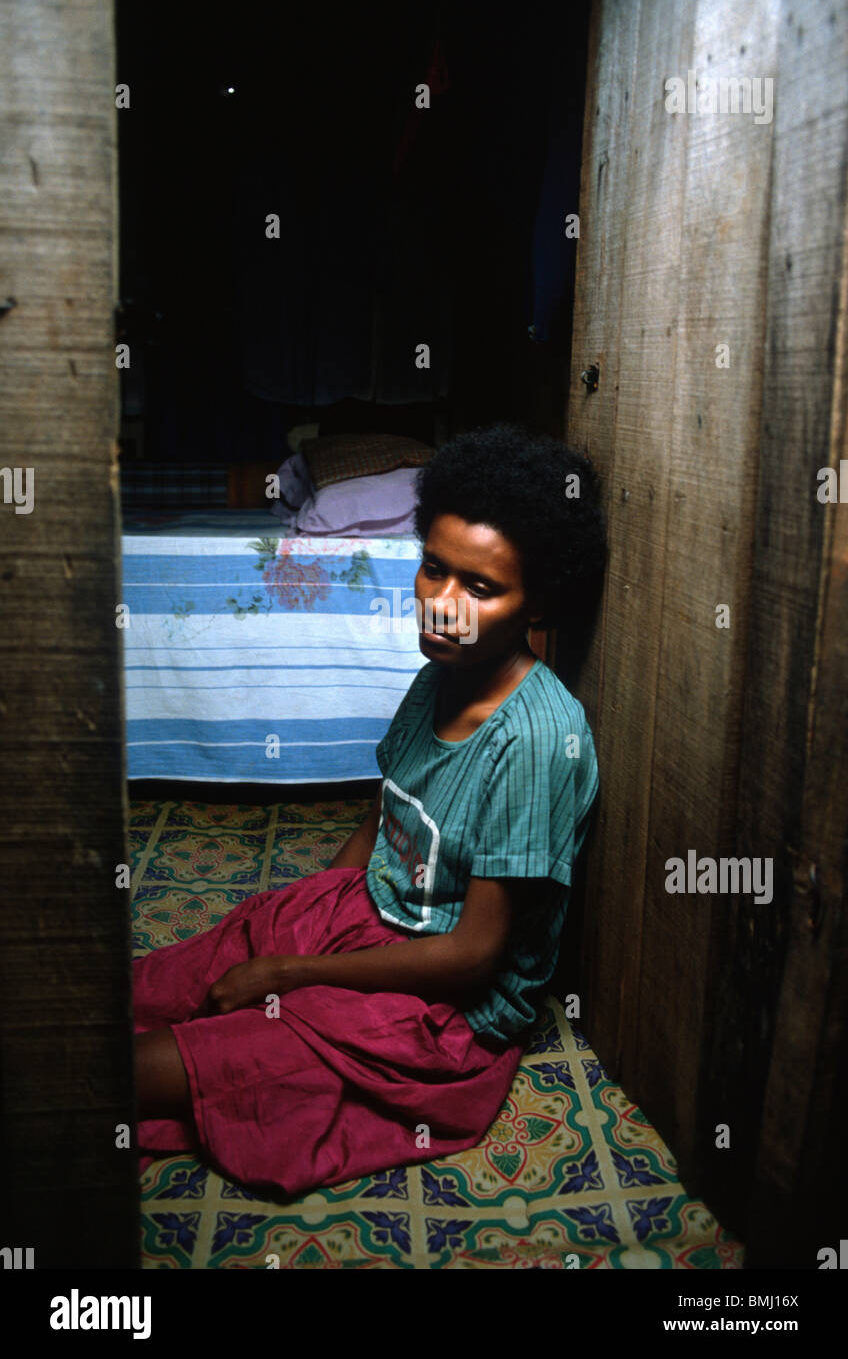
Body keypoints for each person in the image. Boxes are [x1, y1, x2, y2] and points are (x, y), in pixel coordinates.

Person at [133, 423, 607, 1197]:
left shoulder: (535, 741)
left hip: (444, 1006)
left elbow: (474, 957)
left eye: (480, 589)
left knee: (211, 1060)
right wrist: (308, 912)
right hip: (373, 920)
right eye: (432, 570)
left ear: (540, 603)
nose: (443, 607)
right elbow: (384, 813)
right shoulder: (444, 673)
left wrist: (295, 974)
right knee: (160, 985)